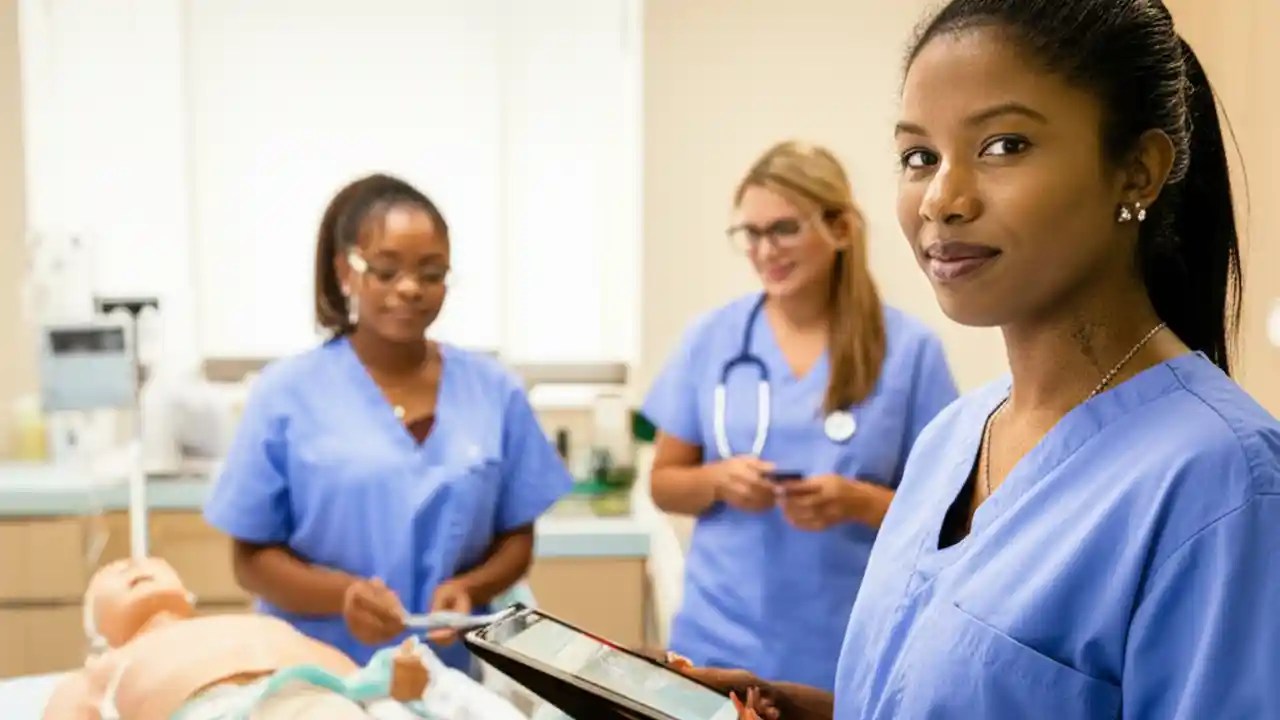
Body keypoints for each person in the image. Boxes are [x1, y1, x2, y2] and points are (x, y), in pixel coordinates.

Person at [674, 1, 1280, 718]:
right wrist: (794, 710)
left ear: (1137, 172)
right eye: (919, 157)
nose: (941, 200)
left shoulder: (1223, 484)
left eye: (1003, 145)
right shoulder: (952, 441)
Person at [202, 173, 574, 676]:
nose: (410, 288)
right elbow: (250, 559)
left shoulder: (493, 390)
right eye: (386, 270)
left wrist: (471, 587)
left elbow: (517, 538)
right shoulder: (286, 393)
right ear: (345, 271)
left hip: (447, 683)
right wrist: (343, 596)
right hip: (316, 679)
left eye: (431, 273)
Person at [642, 141, 959, 691]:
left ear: (840, 228)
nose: (765, 250)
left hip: (847, 649)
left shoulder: (910, 352)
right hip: (718, 643)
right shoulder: (712, 339)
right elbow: (665, 484)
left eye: (784, 229)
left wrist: (858, 501)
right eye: (751, 233)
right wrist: (718, 481)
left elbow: (951, 518)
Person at [40, 557, 528, 720]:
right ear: (99, 636)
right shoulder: (110, 666)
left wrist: (398, 681)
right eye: (113, 573)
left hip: (328, 704)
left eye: (149, 563)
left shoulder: (257, 626)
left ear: (187, 594)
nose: (134, 565)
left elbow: (350, 678)